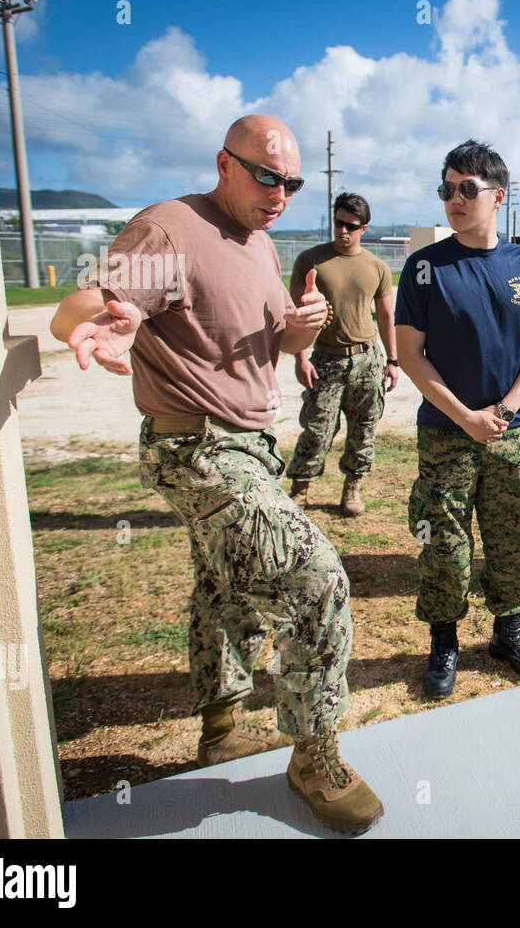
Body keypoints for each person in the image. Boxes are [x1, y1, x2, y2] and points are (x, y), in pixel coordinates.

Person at [49, 115, 382, 835]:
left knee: (224, 582)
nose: (281, 193)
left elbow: (263, 342)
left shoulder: (258, 243)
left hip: (251, 443)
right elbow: (90, 305)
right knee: (316, 578)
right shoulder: (169, 230)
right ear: (224, 164)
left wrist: (301, 325)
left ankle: (222, 726)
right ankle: (314, 753)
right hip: (200, 450)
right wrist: (105, 323)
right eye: (267, 175)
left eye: (291, 182)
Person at [394, 140, 520, 700]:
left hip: (513, 433)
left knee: (514, 537)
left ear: (499, 196)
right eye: (447, 189)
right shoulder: (424, 268)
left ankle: (508, 634)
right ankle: (444, 642)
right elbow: (411, 354)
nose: (455, 199)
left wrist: (506, 409)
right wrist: (465, 416)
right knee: (446, 541)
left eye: (468, 188)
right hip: (446, 433)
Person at [284, 192, 397, 515]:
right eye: (338, 223)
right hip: (326, 359)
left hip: (367, 359)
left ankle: (352, 490)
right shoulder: (311, 261)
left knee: (364, 428)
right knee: (317, 428)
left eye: (351, 225)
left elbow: (386, 317)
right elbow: (297, 313)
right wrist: (300, 357)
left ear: (364, 228)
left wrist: (392, 360)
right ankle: (300, 489)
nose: (342, 231)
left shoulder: (377, 267)